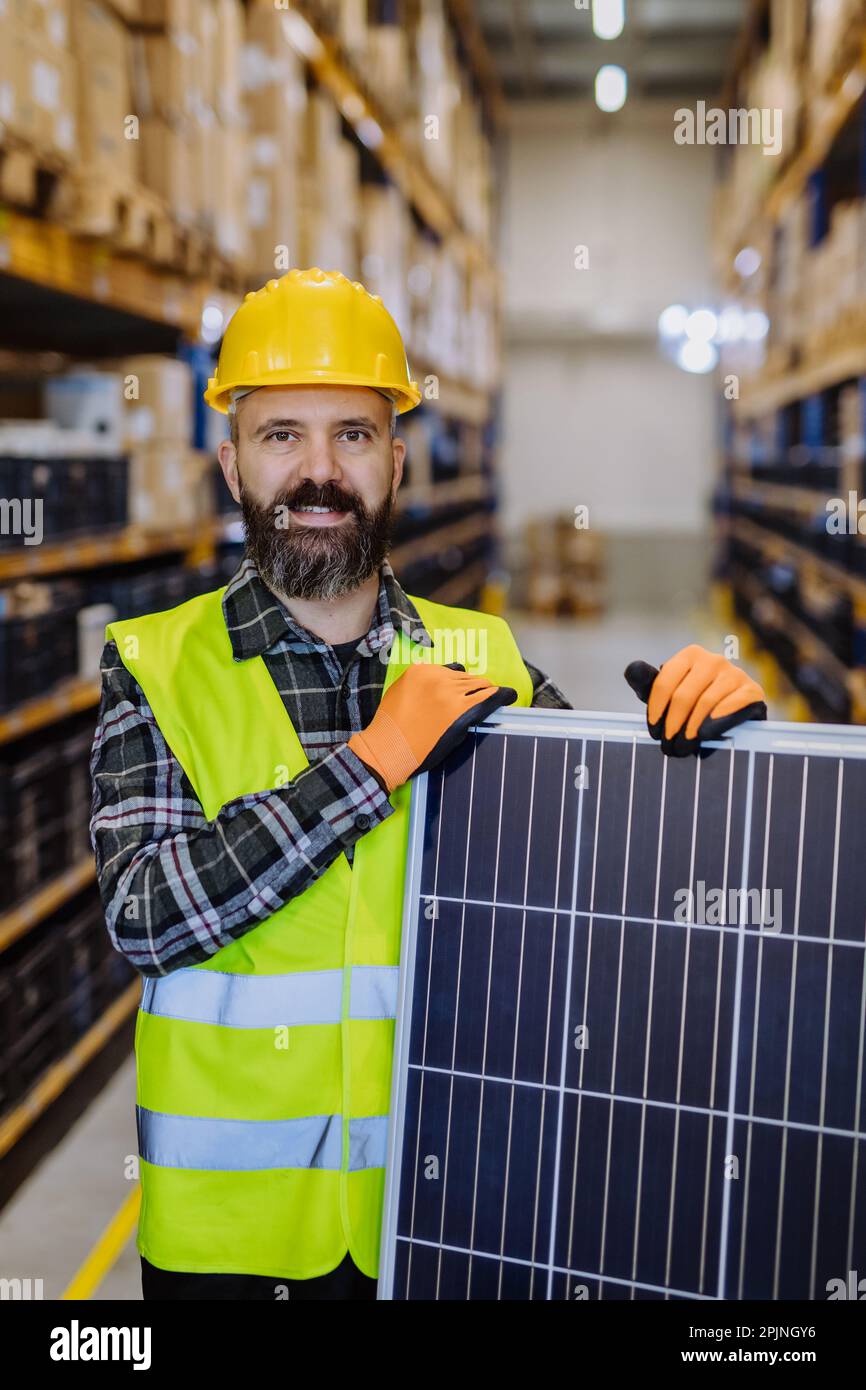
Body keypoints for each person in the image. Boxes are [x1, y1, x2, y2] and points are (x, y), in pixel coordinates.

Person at [89, 268, 766, 1301]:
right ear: (230, 463)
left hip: (446, 1212)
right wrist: (369, 763)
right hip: (231, 1242)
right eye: (282, 436)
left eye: (352, 436)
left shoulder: (484, 660)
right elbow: (146, 914)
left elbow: (607, 872)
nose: (318, 473)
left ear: (396, 461)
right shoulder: (152, 664)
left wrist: (708, 734)